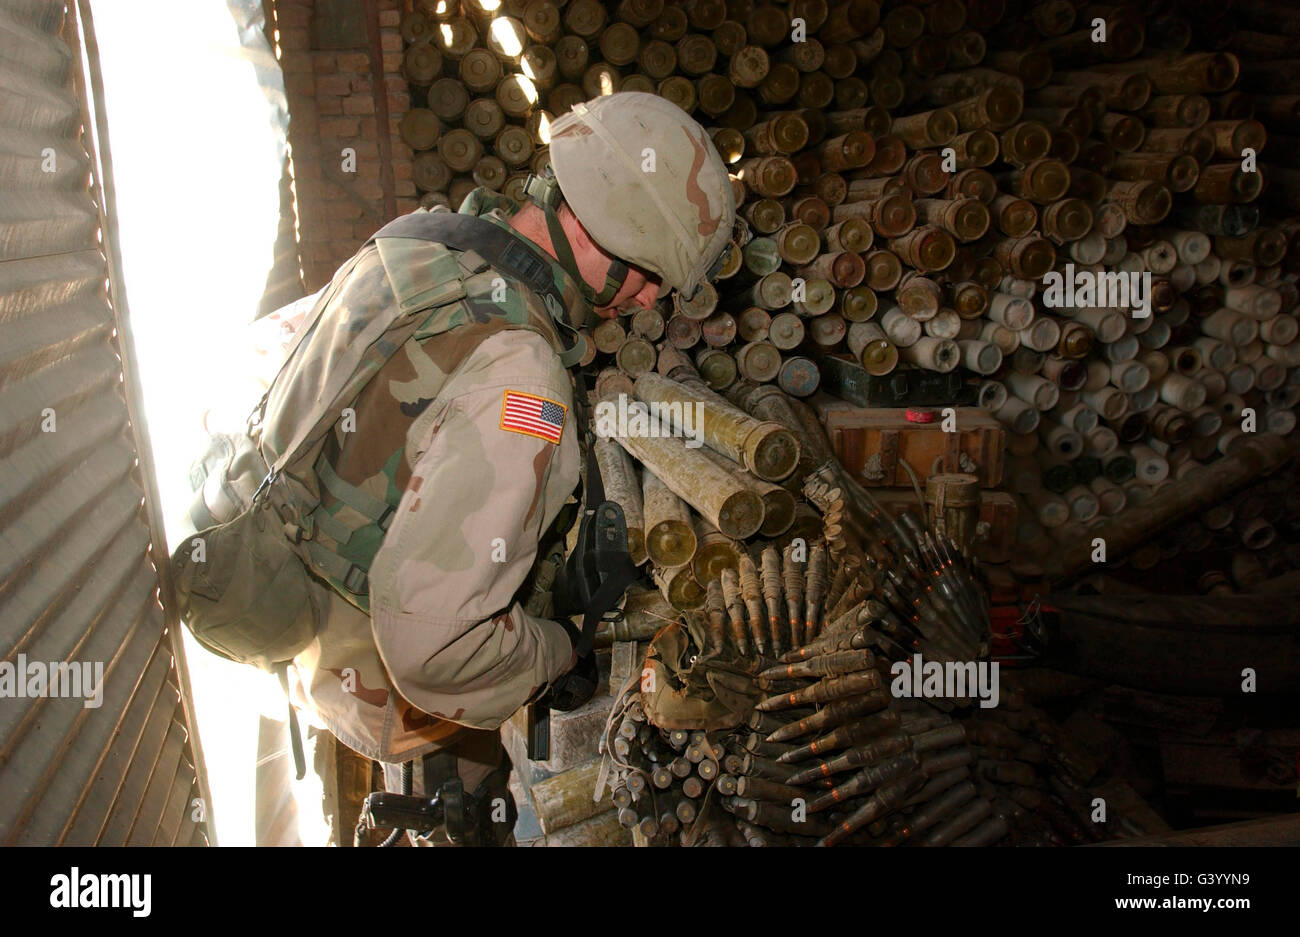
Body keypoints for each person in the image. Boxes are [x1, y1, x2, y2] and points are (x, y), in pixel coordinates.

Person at [280, 91, 735, 844]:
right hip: (380, 680)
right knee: (478, 817)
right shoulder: (522, 377)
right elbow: (436, 646)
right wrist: (558, 652)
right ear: (605, 231)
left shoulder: (424, 241)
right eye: (650, 273)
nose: (650, 297)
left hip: (306, 597)